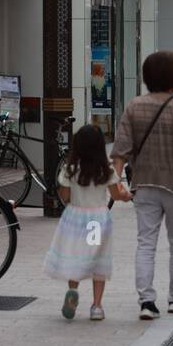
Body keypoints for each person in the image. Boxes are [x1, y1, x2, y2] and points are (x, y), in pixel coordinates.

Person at [112, 51, 173, 320]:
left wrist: (115, 183)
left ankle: (146, 301)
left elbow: (120, 150)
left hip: (144, 184)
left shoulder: (134, 107)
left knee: (146, 243)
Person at [45, 125, 131, 321]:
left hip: (74, 219)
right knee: (97, 260)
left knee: (76, 257)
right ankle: (97, 306)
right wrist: (126, 196)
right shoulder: (106, 169)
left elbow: (65, 195)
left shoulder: (70, 168)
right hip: (97, 221)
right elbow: (117, 195)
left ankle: (73, 291)